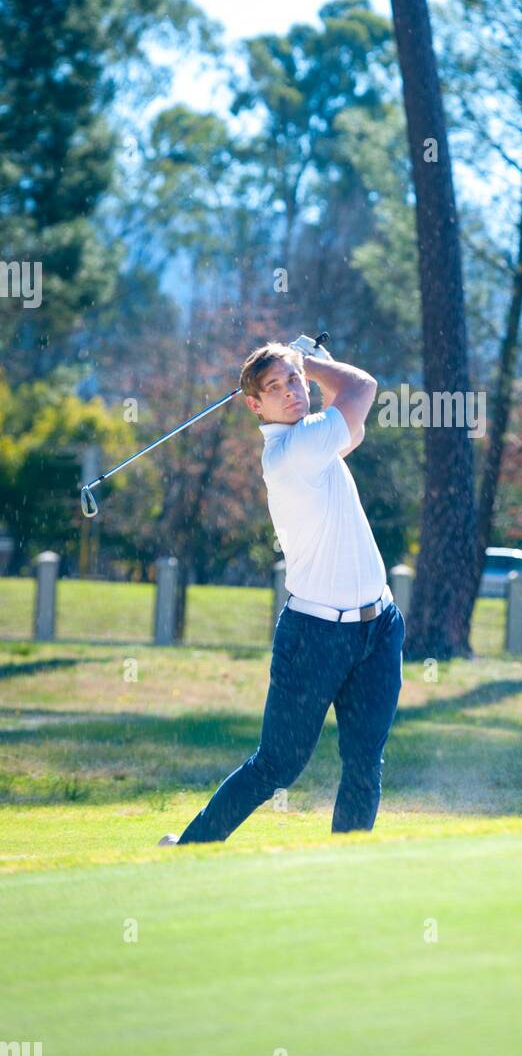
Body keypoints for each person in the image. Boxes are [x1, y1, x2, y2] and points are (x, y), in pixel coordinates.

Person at [159, 336, 405, 846]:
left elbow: (351, 419)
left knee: (364, 762)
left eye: (294, 381)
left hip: (378, 627)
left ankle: (345, 870)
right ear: (255, 406)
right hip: (315, 636)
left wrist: (308, 366)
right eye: (276, 386)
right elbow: (362, 387)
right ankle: (191, 848)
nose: (292, 390)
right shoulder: (293, 450)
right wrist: (309, 361)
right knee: (277, 764)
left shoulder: (317, 439)